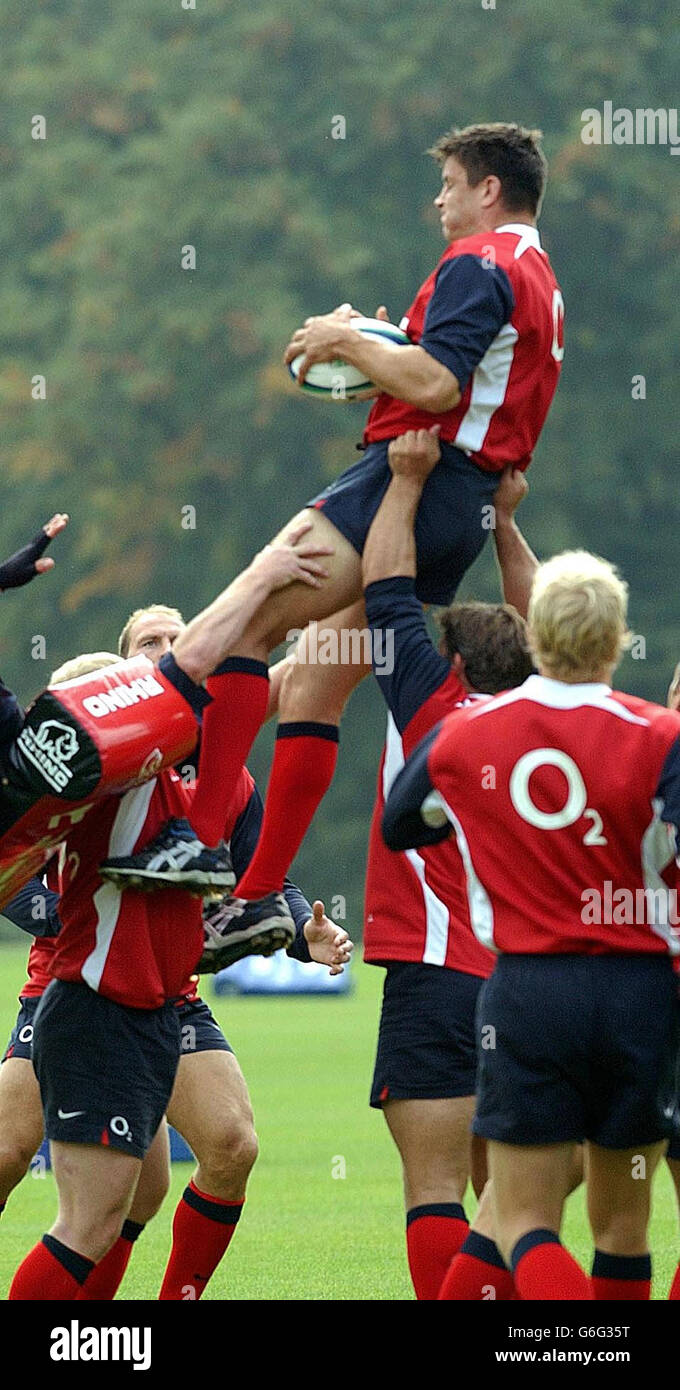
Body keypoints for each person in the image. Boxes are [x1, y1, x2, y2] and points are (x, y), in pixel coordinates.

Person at [110, 123, 564, 939]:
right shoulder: (538, 274)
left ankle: (201, 844)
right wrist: (382, 357)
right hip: (457, 505)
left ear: (489, 190)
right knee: (316, 681)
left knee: (246, 620)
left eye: (452, 183)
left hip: (407, 484)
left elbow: (432, 383)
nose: (440, 199)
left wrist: (345, 340)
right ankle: (254, 897)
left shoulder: (480, 262)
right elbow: (451, 377)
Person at [2, 633, 351, 1301]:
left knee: (213, 1153)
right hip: (79, 987)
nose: (163, 654)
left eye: (174, 641)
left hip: (164, 998)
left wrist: (300, 930)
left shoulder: (209, 782)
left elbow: (259, 870)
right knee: (38, 1173)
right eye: (151, 647)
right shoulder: (91, 784)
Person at [383, 550, 680, 1300]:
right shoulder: (660, 735)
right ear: (615, 642)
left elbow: (401, 825)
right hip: (641, 992)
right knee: (623, 1229)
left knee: (520, 1219)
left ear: (537, 639)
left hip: (529, 989)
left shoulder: (470, 732)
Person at [357, 428, 534, 1299]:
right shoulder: (547, 716)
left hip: (434, 974)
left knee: (434, 1192)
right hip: (529, 980)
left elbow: (384, 589)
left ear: (456, 662)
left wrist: (404, 479)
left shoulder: (434, 703)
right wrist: (502, 521)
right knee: (510, 1196)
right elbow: (540, 619)